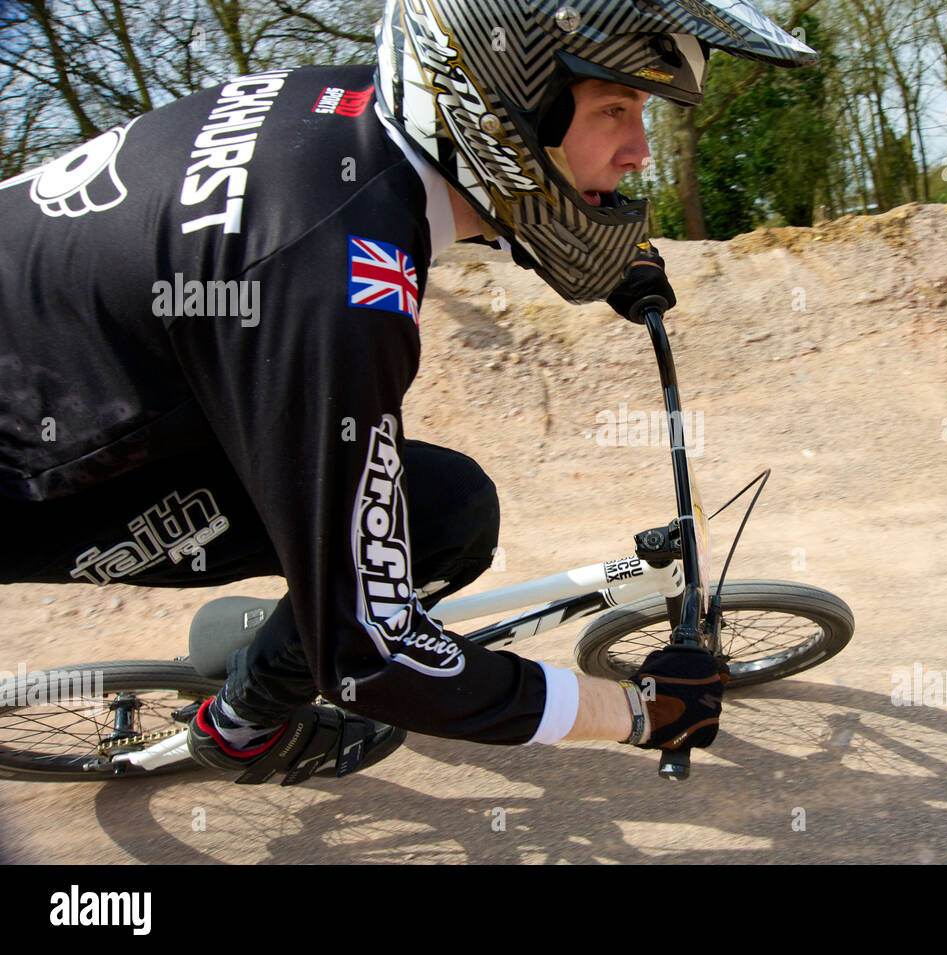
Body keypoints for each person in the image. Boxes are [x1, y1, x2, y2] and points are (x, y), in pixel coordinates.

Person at [0, 0, 817, 784]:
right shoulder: (336, 290)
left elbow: (470, 177)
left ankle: (291, 625)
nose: (639, 149)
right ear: (510, 100)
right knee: (438, 520)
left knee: (392, 505)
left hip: (83, 357)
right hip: (31, 468)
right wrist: (641, 712)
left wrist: (571, 246)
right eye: (615, 109)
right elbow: (373, 658)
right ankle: (244, 728)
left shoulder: (344, 108)